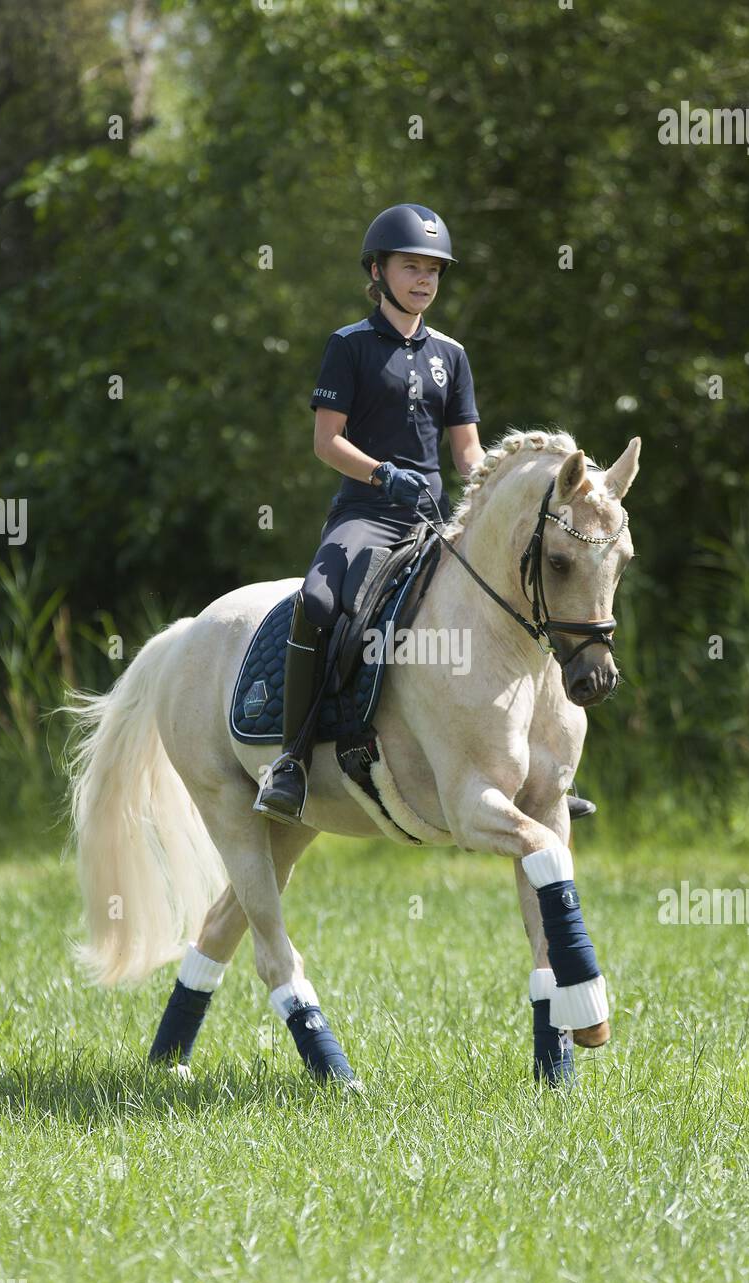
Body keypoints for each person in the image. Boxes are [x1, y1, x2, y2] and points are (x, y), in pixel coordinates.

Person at [254, 202, 595, 825]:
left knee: (529, 597)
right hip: (367, 513)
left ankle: (550, 773)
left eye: (433, 272)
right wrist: (383, 473)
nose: (424, 281)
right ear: (379, 271)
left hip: (438, 516)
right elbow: (326, 441)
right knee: (319, 603)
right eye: (411, 268)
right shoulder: (349, 347)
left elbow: (467, 449)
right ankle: (293, 760)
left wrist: (493, 489)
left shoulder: (451, 354)